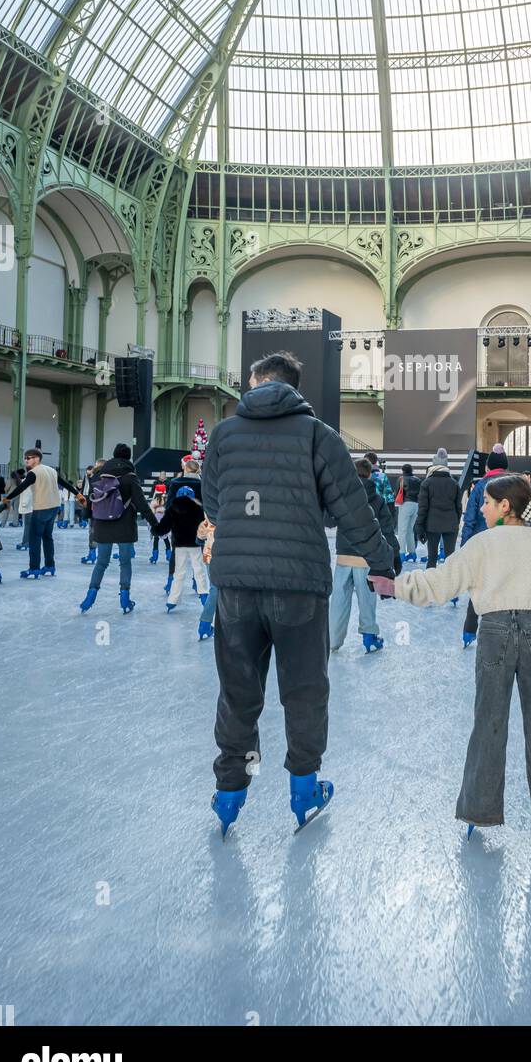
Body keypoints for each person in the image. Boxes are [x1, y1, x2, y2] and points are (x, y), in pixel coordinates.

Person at [201, 350, 395, 837]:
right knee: (304, 690)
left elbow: (214, 505)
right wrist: (382, 563)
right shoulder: (318, 435)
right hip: (299, 587)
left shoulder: (224, 434)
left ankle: (230, 793)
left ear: (255, 381)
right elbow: (350, 509)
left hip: (237, 586)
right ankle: (304, 789)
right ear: (295, 386)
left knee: (239, 691)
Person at [371, 474, 531, 839]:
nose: (482, 508)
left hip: (494, 635)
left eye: (488, 503)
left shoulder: (482, 544)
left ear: (506, 506)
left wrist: (397, 586)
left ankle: (478, 809)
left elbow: (440, 583)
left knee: (488, 725)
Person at [79, 444, 159, 614]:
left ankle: (90, 596)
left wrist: (86, 515)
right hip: (125, 525)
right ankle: (124, 598)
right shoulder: (130, 477)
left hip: (102, 524)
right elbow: (143, 505)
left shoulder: (99, 475)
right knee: (125, 562)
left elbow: (90, 499)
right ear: (128, 458)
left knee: (101, 563)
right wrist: (156, 525)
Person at [330, 458, 399, 654]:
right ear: (370, 474)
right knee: (366, 598)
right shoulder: (377, 499)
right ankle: (369, 637)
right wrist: (393, 554)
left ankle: (333, 639)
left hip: (343, 555)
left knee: (339, 600)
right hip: (367, 557)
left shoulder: (343, 497)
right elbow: (387, 529)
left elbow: (330, 518)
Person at [457, 445, 510, 646]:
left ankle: (470, 630)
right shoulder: (515, 486)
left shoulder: (480, 487)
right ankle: (500, 632)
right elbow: (529, 517)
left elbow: (470, 519)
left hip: (483, 542)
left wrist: (465, 549)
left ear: (488, 466)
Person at [2, 449, 80, 578]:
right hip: (53, 508)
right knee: (47, 537)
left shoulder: (34, 473)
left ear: (37, 459)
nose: (26, 460)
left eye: (29, 458)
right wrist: (78, 494)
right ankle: (50, 566)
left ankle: (34, 569)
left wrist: (7, 498)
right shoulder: (51, 470)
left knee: (34, 539)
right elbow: (65, 483)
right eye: (25, 458)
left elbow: (22, 487)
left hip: (41, 508)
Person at [155, 485, 209, 612]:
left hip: (179, 545)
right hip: (195, 544)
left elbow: (164, 525)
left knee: (179, 572)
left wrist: (155, 530)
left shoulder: (172, 508)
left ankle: (172, 600)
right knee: (199, 570)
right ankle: (204, 595)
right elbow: (204, 525)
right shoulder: (199, 508)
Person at [416, 453, 462, 569]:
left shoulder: (427, 483)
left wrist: (419, 526)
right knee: (450, 558)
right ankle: (450, 583)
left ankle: (431, 584)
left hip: (432, 525)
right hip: (451, 524)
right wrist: (456, 522)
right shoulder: (454, 483)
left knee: (432, 558)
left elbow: (423, 508)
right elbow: (458, 507)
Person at [396, 463, 422, 562]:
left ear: (403, 470)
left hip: (405, 504)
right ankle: (412, 553)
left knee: (402, 530)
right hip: (416, 505)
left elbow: (397, 491)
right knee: (410, 530)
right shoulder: (418, 480)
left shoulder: (401, 479)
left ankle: (401, 553)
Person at [148, 484, 170, 564]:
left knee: (156, 539)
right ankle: (169, 556)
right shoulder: (167, 500)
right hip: (164, 521)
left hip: (156, 521)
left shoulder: (154, 501)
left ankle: (154, 557)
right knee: (166, 539)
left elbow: (151, 512)